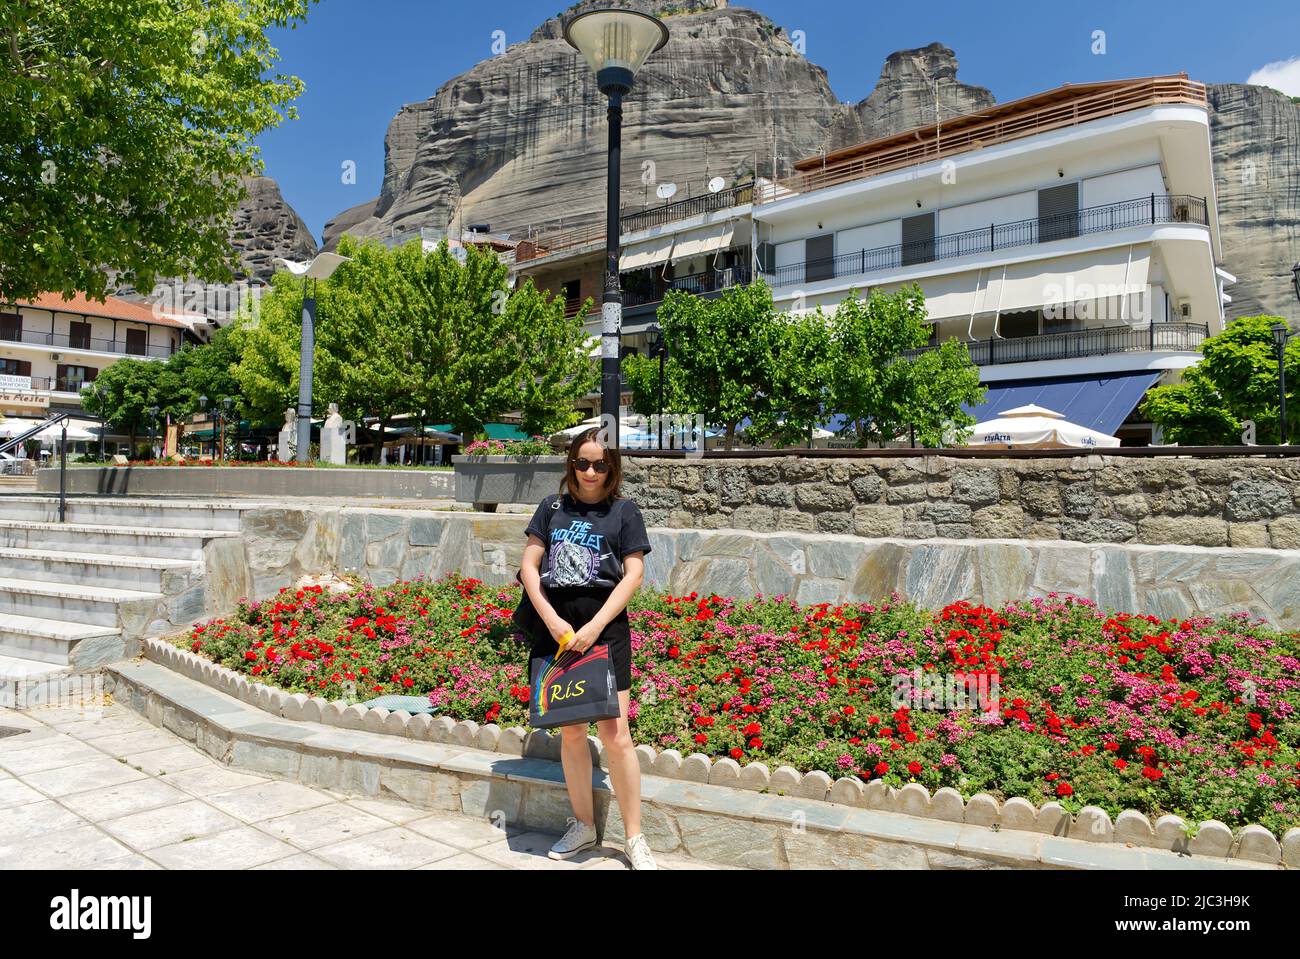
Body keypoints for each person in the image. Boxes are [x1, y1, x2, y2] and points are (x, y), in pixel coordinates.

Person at [512, 427, 657, 870]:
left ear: (611, 468)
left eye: (599, 464)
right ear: (570, 463)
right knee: (571, 731)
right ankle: (583, 825)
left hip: (605, 630)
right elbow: (529, 565)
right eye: (582, 462)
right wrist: (552, 620)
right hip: (555, 631)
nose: (590, 471)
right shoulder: (551, 508)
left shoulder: (625, 512)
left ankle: (634, 837)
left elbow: (632, 575)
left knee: (616, 735)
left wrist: (595, 626)